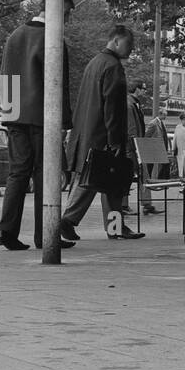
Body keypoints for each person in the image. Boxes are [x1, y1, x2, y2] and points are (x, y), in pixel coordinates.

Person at [0, 0, 74, 251]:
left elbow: (5, 75)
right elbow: (59, 84)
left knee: (17, 173)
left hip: (15, 115)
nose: (68, 20)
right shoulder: (52, 39)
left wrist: (8, 113)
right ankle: (46, 234)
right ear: (59, 11)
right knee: (45, 175)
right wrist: (64, 122)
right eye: (68, 15)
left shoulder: (14, 36)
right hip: (43, 117)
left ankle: (6, 231)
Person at [61, 25, 144, 242]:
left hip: (88, 133)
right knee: (97, 182)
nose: (131, 50)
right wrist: (116, 140)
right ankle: (69, 221)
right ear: (116, 41)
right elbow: (113, 108)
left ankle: (112, 227)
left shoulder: (95, 63)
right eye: (129, 44)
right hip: (102, 136)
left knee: (103, 182)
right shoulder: (113, 67)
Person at [123, 79, 151, 216]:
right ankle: (123, 205)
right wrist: (136, 144)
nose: (145, 91)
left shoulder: (134, 104)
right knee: (127, 175)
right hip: (133, 146)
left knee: (141, 174)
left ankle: (146, 204)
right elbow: (132, 128)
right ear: (137, 89)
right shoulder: (130, 104)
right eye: (143, 88)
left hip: (135, 145)